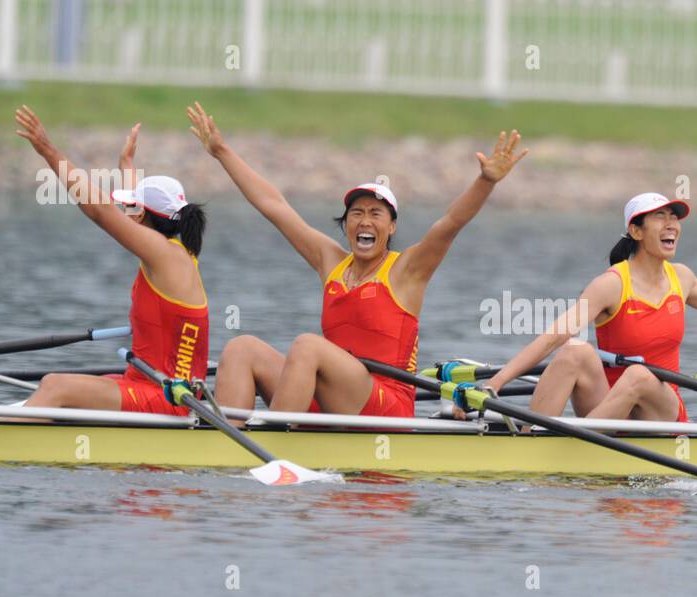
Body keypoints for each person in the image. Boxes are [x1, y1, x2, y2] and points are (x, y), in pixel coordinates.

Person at [187, 102, 527, 416]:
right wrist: (221, 152)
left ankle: (279, 444)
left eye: (376, 213)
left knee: (307, 346)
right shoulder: (331, 262)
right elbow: (275, 206)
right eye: (357, 213)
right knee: (241, 347)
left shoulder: (408, 269)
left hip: (386, 401)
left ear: (391, 226)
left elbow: (450, 224)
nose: (365, 221)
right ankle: (230, 443)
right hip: (334, 397)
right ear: (346, 224)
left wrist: (485, 181)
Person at [477, 193, 697, 421]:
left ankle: (573, 448)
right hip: (609, 407)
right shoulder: (612, 284)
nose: (671, 224)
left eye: (674, 217)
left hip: (661, 411)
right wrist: (497, 382)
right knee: (575, 350)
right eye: (660, 217)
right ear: (635, 231)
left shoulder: (682, 278)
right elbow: (554, 335)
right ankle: (531, 434)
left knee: (639, 375)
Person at [13, 107, 209, 415]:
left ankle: (3, 446)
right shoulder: (177, 253)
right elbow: (134, 210)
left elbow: (101, 212)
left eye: (131, 208)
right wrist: (126, 164)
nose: (125, 213)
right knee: (68, 387)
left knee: (55, 385)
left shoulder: (164, 255)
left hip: (167, 398)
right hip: (154, 386)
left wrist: (48, 151)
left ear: (142, 215)